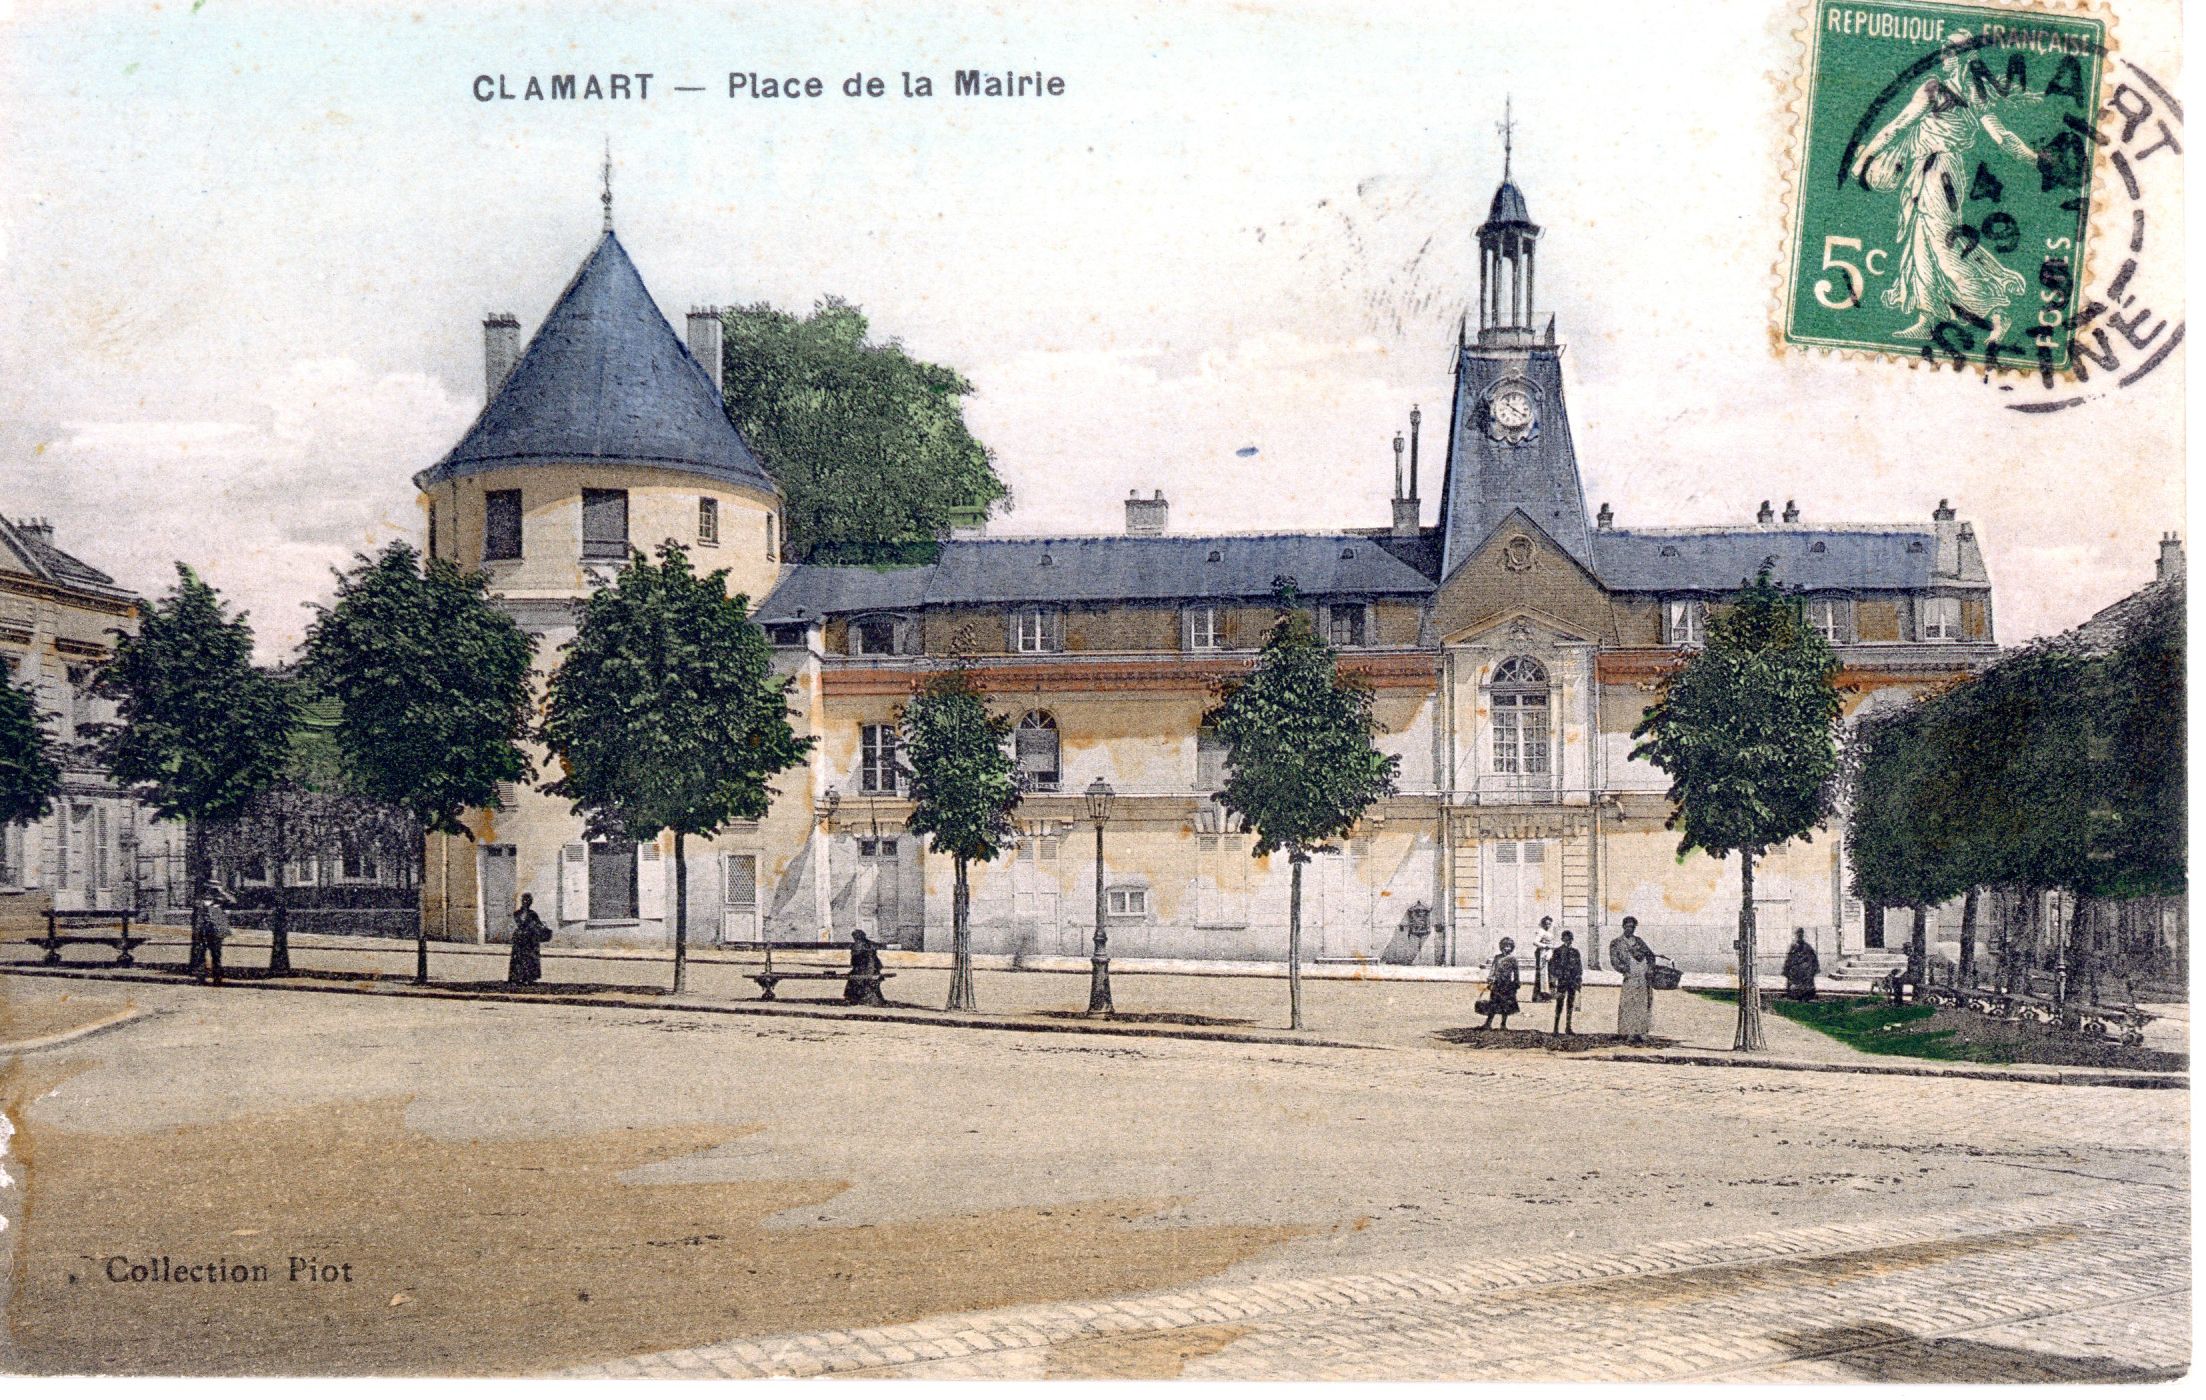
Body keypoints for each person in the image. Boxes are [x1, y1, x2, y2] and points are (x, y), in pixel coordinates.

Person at [1608, 916, 1656, 1044]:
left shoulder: (1639, 941)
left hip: (1642, 976)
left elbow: (1650, 955)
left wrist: (1650, 969)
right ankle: (1627, 1032)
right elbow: (1614, 961)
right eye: (1628, 926)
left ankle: (1641, 1032)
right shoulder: (1616, 943)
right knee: (1628, 1003)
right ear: (1623, 927)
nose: (1630, 929)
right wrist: (1625, 970)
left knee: (1642, 1004)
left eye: (1633, 927)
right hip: (1629, 977)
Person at [192, 882, 234, 986]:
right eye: (209, 888)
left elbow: (233, 901)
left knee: (216, 956)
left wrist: (221, 891)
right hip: (203, 931)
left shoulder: (221, 899)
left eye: (214, 888)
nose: (211, 890)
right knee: (201, 955)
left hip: (215, 931)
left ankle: (217, 978)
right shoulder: (201, 899)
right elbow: (199, 912)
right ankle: (200, 978)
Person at [1477, 938, 1521, 1031]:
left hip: (1507, 985)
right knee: (1493, 1003)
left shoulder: (1513, 959)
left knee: (1506, 1005)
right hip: (1497, 984)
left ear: (1511, 948)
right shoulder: (1497, 957)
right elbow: (1493, 968)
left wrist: (1516, 982)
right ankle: (1488, 1024)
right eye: (1505, 946)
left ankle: (1503, 1024)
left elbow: (1516, 972)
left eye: (1508, 946)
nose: (1506, 948)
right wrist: (1490, 977)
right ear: (1501, 947)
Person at [507, 892, 550, 987]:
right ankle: (517, 977)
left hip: (530, 939)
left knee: (530, 959)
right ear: (522, 901)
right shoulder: (517, 913)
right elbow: (515, 924)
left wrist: (542, 926)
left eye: (528, 900)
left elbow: (538, 924)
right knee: (518, 958)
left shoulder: (533, 914)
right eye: (525, 900)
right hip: (520, 938)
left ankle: (528, 978)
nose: (526, 902)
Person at [1549, 929, 1584, 1035]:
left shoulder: (1575, 952)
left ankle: (1568, 1027)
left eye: (1569, 939)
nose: (1567, 941)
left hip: (1572, 981)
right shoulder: (1557, 951)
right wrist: (1553, 981)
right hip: (1562, 981)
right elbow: (1552, 966)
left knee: (1570, 1004)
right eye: (1565, 939)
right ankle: (1555, 1028)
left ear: (1572, 940)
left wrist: (1579, 981)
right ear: (1562, 939)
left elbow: (1579, 967)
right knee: (1559, 1004)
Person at [844, 927, 887, 1006]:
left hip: (866, 969)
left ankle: (857, 999)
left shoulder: (860, 945)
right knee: (854, 978)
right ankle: (857, 998)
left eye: (855, 937)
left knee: (857, 979)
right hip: (868, 969)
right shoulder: (869, 944)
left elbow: (857, 961)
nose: (854, 939)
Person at [1783, 928, 1821, 1001]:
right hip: (1795, 972)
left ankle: (1806, 996)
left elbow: (1813, 959)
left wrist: (1813, 969)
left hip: (1805, 973)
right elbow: (1789, 959)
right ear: (1796, 935)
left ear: (1803, 935)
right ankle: (1795, 996)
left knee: (1806, 987)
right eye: (1798, 934)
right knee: (1794, 986)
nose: (1799, 936)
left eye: (1801, 934)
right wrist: (1787, 969)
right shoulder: (1793, 947)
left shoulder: (1807, 947)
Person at [1531, 917, 1556, 1002]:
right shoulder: (1541, 931)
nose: (1547, 925)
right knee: (1542, 975)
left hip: (1549, 953)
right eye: (1546, 923)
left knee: (1549, 975)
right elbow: (1535, 942)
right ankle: (1540, 996)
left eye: (1549, 923)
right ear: (1543, 923)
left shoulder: (1549, 931)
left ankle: (1548, 996)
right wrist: (1545, 946)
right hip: (1542, 953)